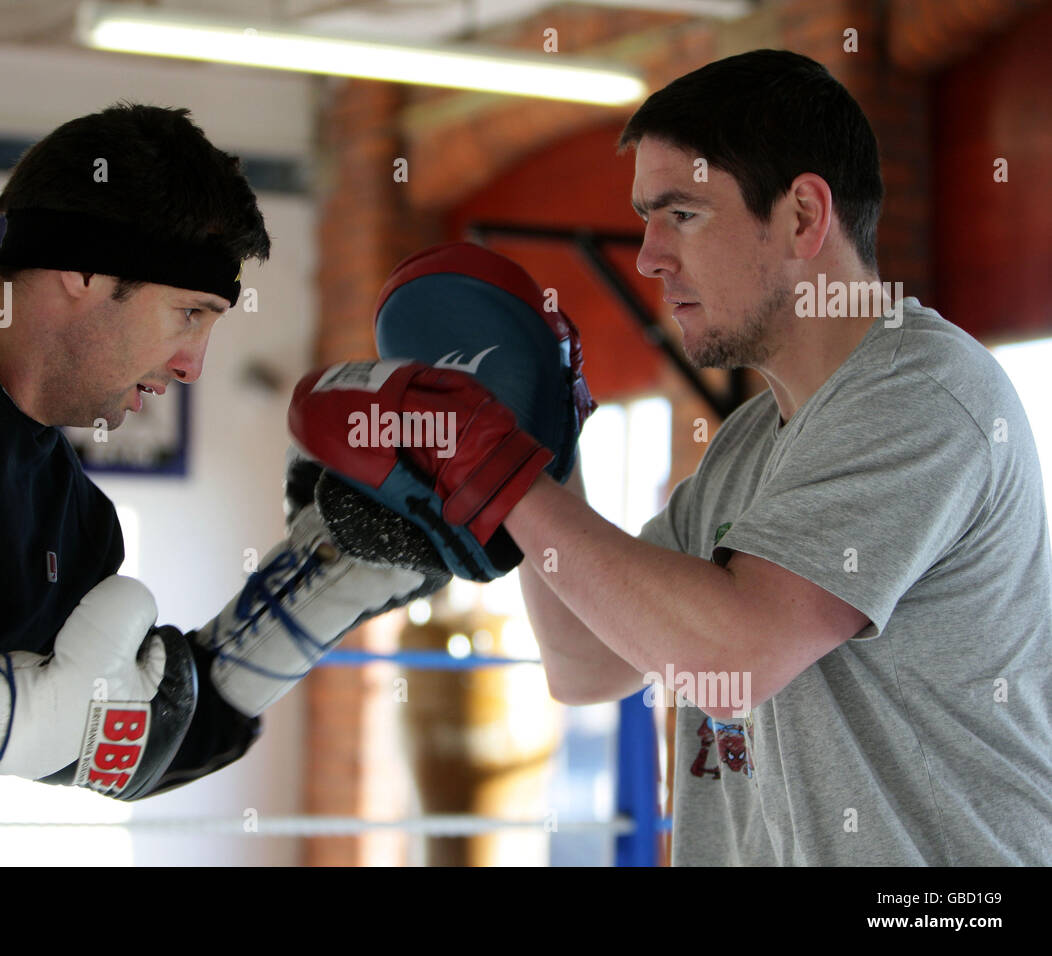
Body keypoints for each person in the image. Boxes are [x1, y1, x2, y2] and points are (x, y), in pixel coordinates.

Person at [292, 50, 1052, 865]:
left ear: (802, 216)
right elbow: (584, 664)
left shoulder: (923, 396)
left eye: (681, 213)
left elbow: (733, 656)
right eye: (647, 218)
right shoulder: (748, 447)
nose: (649, 256)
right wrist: (544, 448)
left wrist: (494, 470)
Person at [0, 103, 444, 866]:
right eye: (188, 313)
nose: (193, 365)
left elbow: (129, 732)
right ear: (80, 271)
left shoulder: (68, 514)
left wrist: (326, 582)